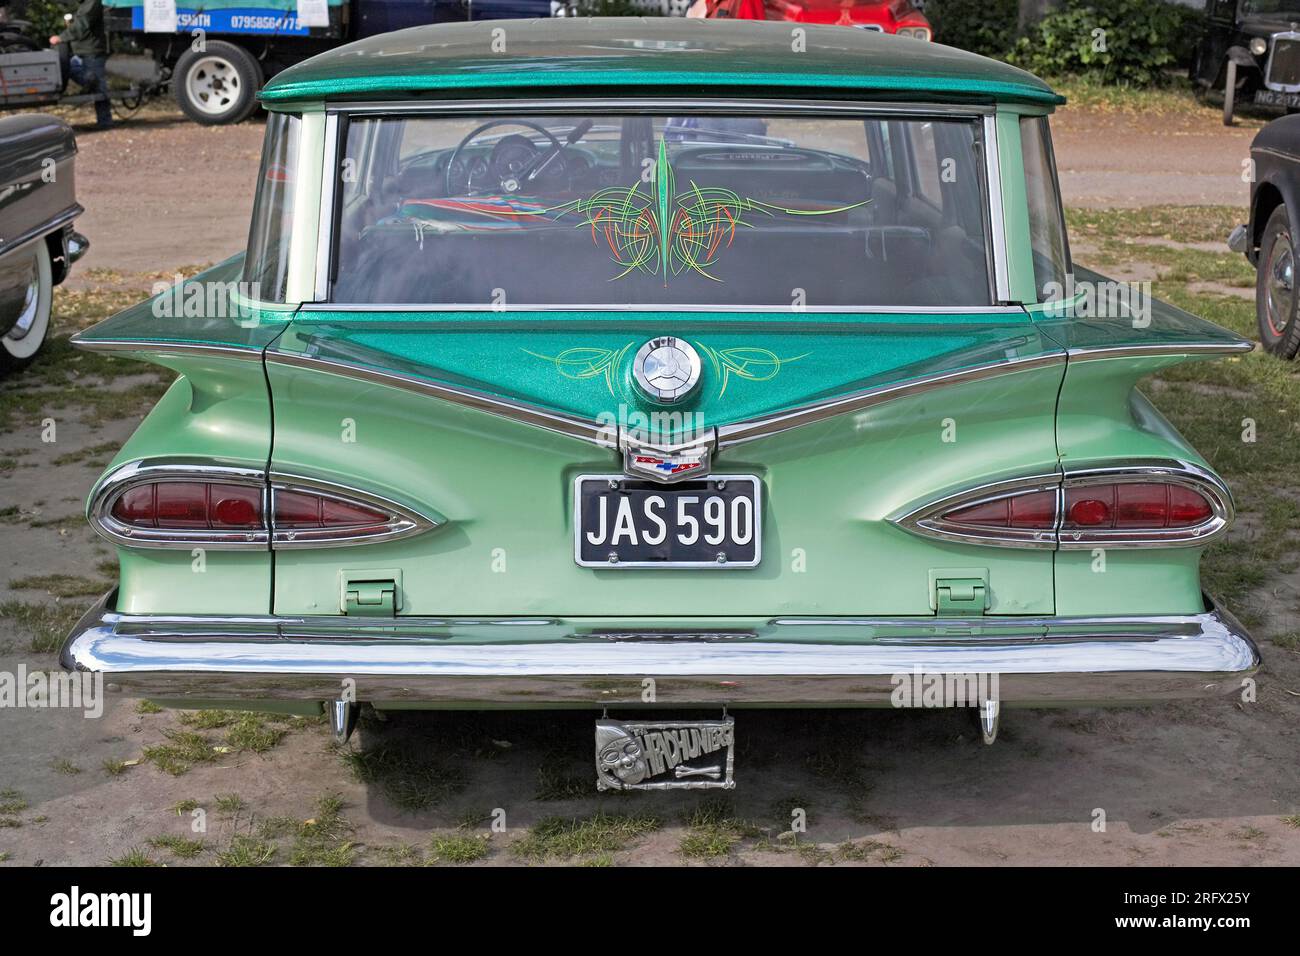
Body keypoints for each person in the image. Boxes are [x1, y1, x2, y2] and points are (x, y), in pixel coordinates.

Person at [50, 0, 112, 129]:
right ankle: (89, 80)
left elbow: (82, 25)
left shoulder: (92, 3)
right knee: (71, 68)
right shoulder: (84, 4)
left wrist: (62, 37)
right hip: (82, 51)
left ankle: (105, 122)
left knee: (99, 89)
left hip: (91, 51)